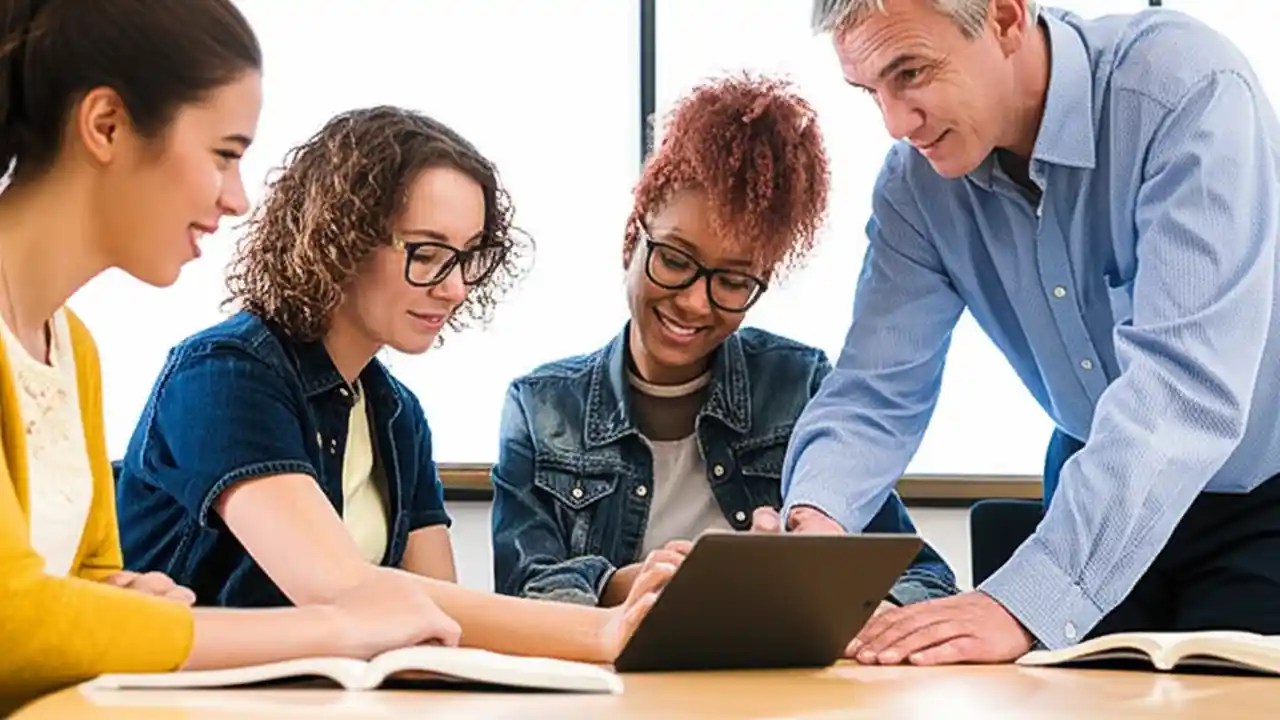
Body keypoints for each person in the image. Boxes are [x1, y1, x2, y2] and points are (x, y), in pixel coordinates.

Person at [0, 0, 469, 712]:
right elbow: (15, 622)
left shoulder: (73, 350)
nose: (239, 198)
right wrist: (334, 628)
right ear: (106, 126)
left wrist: (122, 598)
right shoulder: (225, 370)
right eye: (225, 153)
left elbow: (88, 575)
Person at [779, 0, 1280, 666]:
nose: (896, 123)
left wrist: (1023, 600)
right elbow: (875, 389)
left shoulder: (1184, 92)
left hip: (1261, 500)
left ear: (1007, 17)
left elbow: (1184, 389)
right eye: (872, 91)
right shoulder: (915, 188)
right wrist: (816, 528)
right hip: (1092, 483)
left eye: (912, 73)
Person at [115, 105, 675, 665]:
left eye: (467, 258)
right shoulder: (223, 375)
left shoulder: (397, 414)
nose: (454, 288)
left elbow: (440, 623)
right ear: (341, 238)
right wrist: (600, 630)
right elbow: (345, 590)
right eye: (427, 254)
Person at [490, 73, 956, 614]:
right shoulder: (542, 406)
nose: (693, 302)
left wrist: (853, 600)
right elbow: (525, 594)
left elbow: (923, 578)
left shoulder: (798, 386)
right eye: (674, 260)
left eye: (733, 282)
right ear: (631, 241)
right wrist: (631, 585)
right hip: (616, 691)